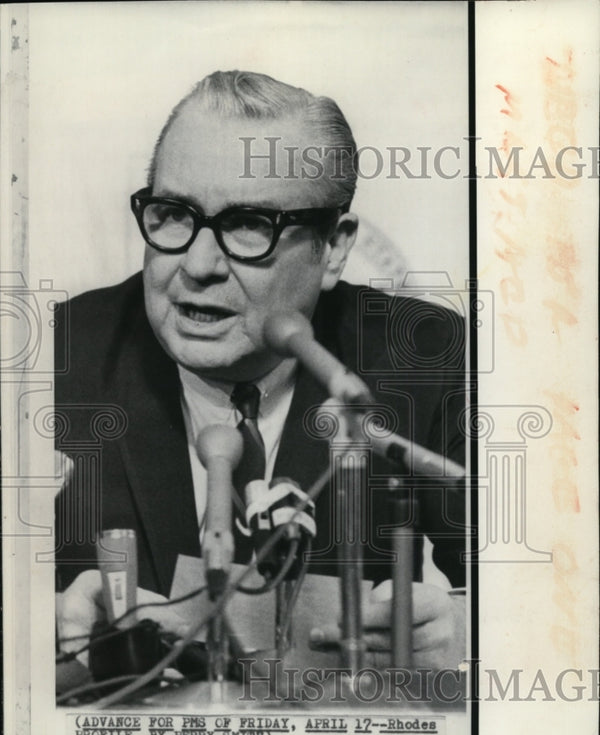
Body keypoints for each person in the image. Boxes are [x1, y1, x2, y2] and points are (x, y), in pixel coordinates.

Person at [55, 70, 466, 679]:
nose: (196, 266)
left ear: (335, 249)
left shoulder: (426, 355)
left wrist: (464, 629)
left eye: (249, 225)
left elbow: (549, 592)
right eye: (173, 214)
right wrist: (41, 630)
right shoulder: (53, 356)